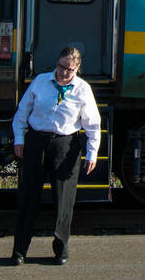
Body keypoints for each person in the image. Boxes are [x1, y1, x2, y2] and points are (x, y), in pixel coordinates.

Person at [8, 45, 100, 265]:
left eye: (69, 69)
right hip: (37, 141)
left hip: (65, 144)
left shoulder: (82, 89)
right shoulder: (40, 81)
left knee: (63, 200)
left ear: (77, 68)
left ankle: (61, 249)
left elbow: (92, 124)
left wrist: (92, 153)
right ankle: (19, 251)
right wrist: (19, 139)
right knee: (28, 197)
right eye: (60, 66)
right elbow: (22, 112)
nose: (63, 72)